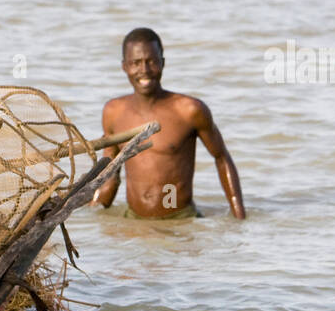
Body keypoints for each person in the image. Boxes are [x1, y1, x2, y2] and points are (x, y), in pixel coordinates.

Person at [91, 28, 245, 219]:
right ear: (124, 66)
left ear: (163, 63)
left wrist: (239, 218)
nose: (144, 70)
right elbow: (110, 171)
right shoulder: (113, 111)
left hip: (180, 221)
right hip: (134, 221)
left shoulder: (189, 110)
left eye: (151, 61)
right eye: (135, 63)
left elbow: (221, 157)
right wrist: (91, 217)